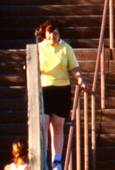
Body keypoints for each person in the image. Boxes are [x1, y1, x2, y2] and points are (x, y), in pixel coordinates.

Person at [36, 19, 86, 170]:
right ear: (44, 33)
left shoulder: (66, 48)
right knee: (43, 125)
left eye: (56, 33)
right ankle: (43, 160)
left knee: (58, 127)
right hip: (43, 89)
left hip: (61, 90)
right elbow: (31, 65)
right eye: (50, 33)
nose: (53, 36)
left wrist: (80, 80)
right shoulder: (38, 48)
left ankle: (56, 161)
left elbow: (74, 67)